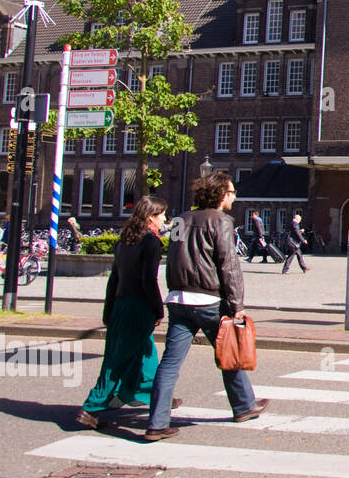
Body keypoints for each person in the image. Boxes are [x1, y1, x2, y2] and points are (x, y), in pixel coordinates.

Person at [145, 172, 267, 441]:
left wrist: (175, 289)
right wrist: (237, 305)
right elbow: (228, 265)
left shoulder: (178, 220)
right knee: (228, 353)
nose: (234, 196)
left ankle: (156, 422)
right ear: (221, 195)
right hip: (208, 301)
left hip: (178, 299)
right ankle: (244, 406)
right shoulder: (221, 222)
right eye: (232, 192)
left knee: (169, 365)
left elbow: (173, 257)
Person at [76, 197, 179, 429]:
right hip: (138, 306)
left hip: (121, 304)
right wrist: (158, 308)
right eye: (162, 214)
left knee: (146, 353)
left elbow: (115, 278)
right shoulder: (151, 242)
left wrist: (109, 308)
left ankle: (157, 395)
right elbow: (148, 280)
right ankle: (91, 407)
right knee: (118, 361)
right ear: (150, 216)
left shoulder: (124, 240)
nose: (165, 218)